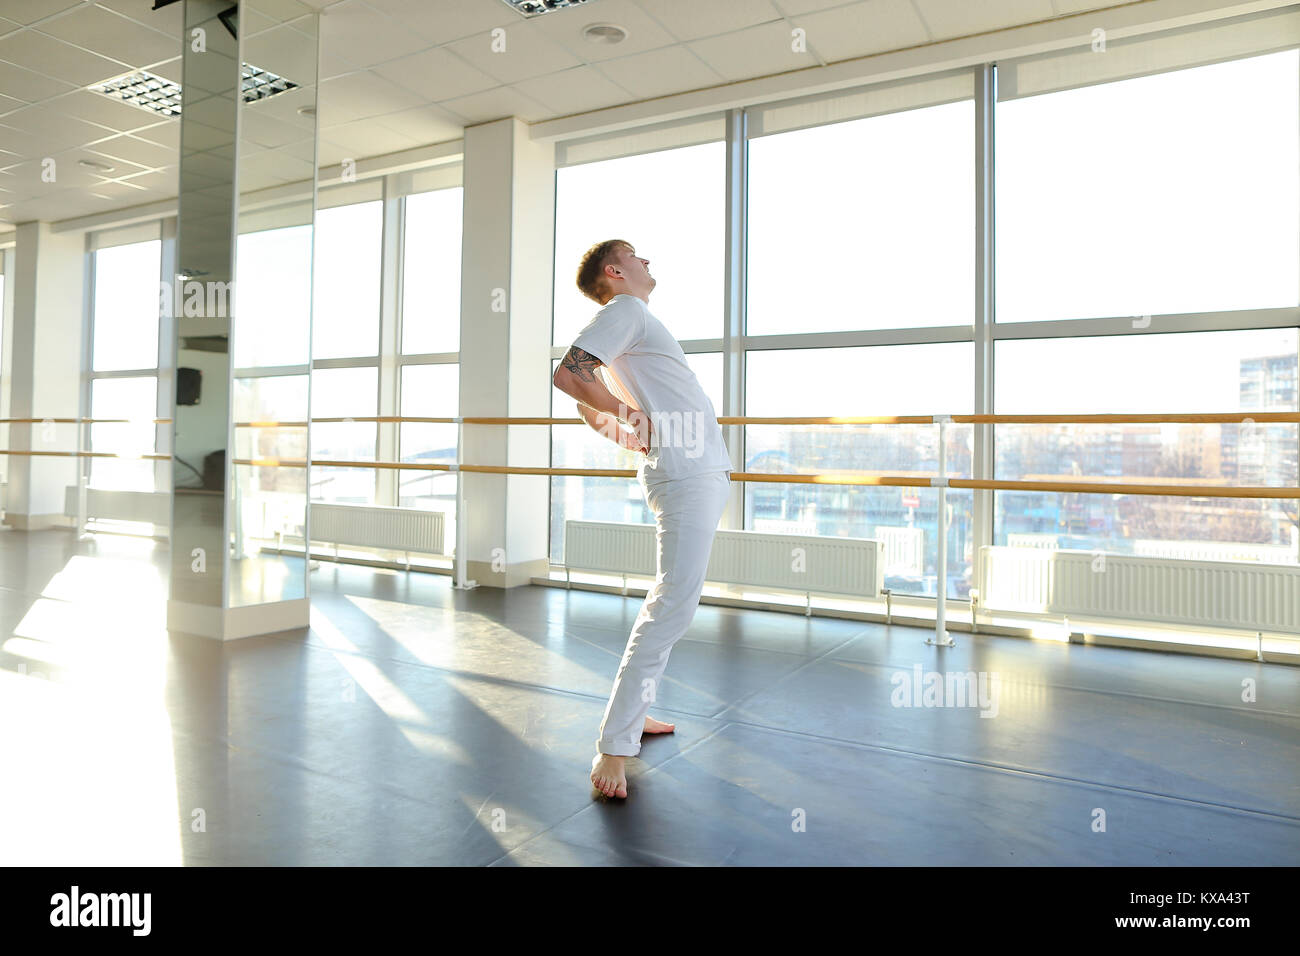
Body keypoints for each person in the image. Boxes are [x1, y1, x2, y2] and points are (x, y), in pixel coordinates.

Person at [552, 239, 733, 799]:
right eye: (636, 255)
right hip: (686, 474)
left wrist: (628, 430)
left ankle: (635, 717)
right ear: (615, 270)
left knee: (673, 606)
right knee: (671, 606)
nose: (647, 261)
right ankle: (614, 744)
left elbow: (586, 399)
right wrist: (629, 417)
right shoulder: (625, 310)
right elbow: (570, 377)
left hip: (690, 469)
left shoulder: (629, 320)